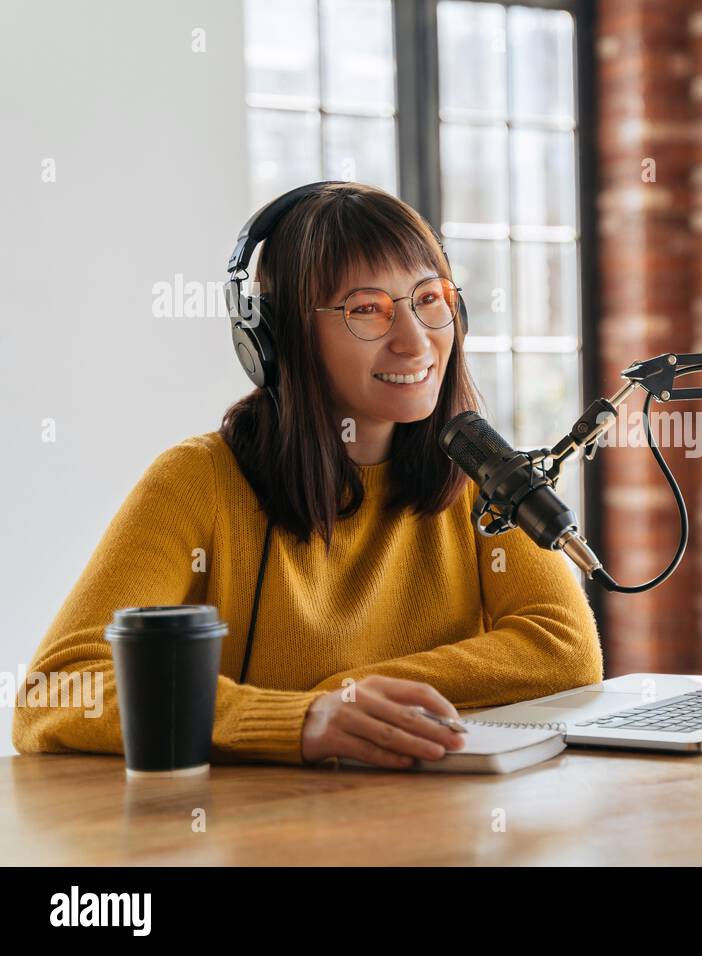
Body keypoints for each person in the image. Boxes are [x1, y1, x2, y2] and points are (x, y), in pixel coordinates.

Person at [12, 182, 603, 769]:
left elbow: (563, 646)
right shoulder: (196, 481)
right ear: (277, 336)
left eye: (429, 299)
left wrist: (347, 695)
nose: (415, 340)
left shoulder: (478, 471)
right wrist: (296, 720)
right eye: (366, 309)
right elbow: (55, 691)